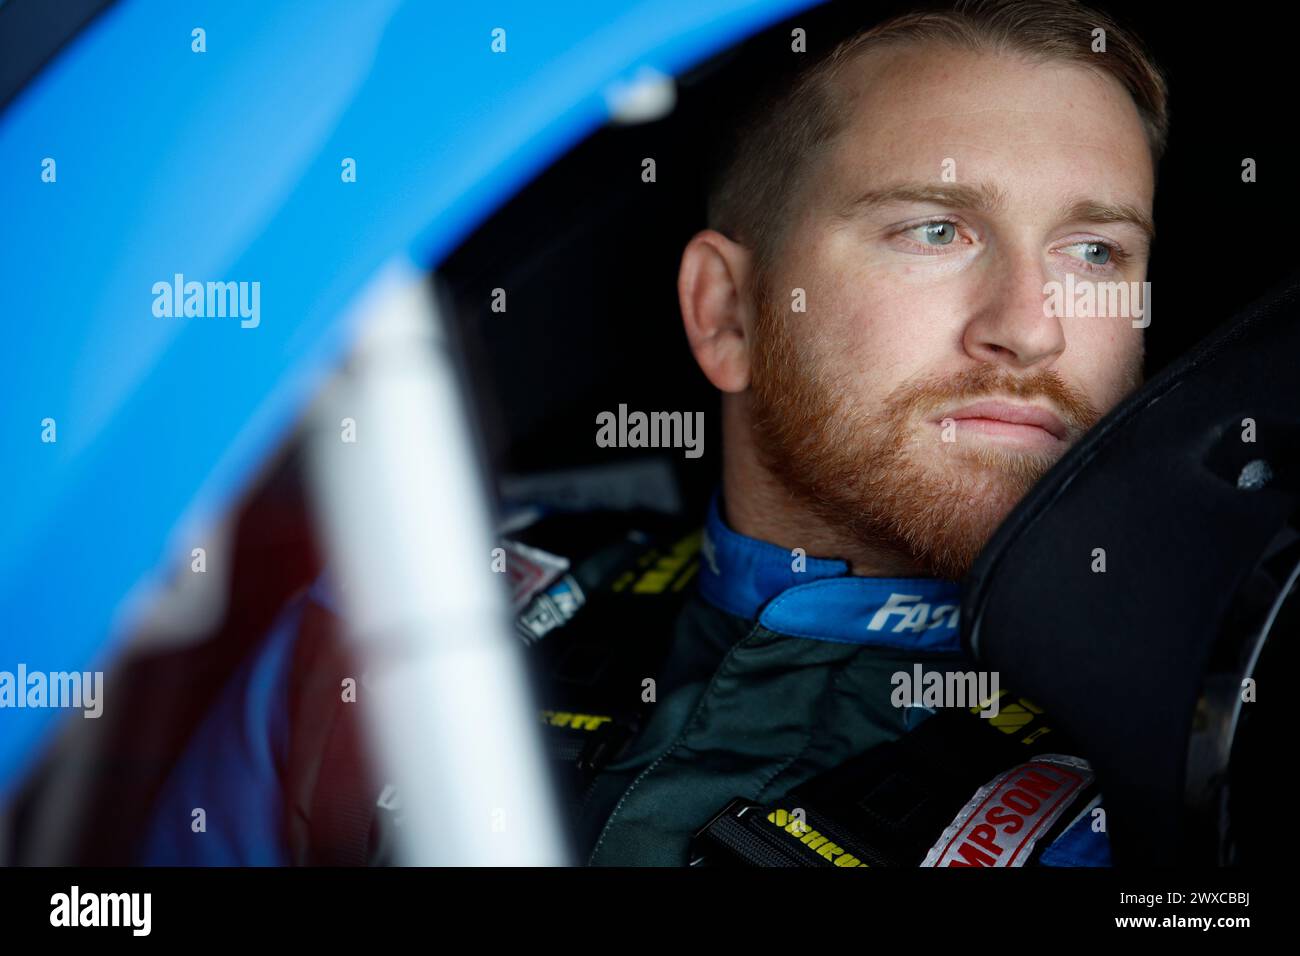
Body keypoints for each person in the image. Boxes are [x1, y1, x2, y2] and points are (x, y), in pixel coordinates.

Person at [140, 0, 1167, 867]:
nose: (1032, 324)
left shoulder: (1181, 775)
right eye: (935, 229)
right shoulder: (406, 616)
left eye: (1093, 250)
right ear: (727, 311)